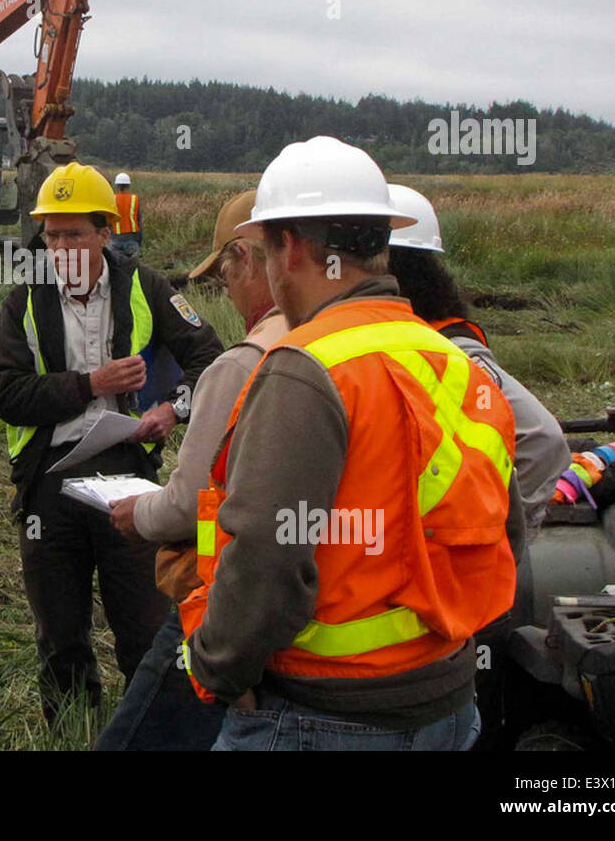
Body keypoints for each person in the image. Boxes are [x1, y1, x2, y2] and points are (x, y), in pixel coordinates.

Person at [183, 136, 520, 752]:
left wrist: (215, 669)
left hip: (319, 715)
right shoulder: (454, 362)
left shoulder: (303, 368)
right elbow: (506, 531)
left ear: (287, 247)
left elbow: (265, 551)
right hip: (449, 707)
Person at [0, 162, 223, 722]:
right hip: (47, 479)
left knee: (143, 628)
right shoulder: (23, 301)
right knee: (60, 631)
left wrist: (173, 408)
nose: (61, 246)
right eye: (52, 234)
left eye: (74, 234)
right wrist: (88, 386)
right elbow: (4, 392)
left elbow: (210, 360)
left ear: (106, 233)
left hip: (128, 475)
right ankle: (70, 730)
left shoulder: (148, 288)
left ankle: (145, 728)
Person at [96, 189, 288, 750]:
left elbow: (187, 502)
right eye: (52, 235)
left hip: (218, 606)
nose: (225, 288)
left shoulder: (241, 363)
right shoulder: (343, 345)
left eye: (224, 272)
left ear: (247, 260)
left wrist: (138, 513)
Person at [386, 182, 569, 749]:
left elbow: (541, 439)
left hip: (453, 603)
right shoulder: (418, 341)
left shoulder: (455, 355)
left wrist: (499, 543)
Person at [110, 172, 142, 258]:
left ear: (117, 186)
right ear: (128, 186)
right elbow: (139, 220)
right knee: (133, 266)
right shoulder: (135, 199)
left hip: (115, 237)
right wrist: (140, 240)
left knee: (117, 266)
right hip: (132, 237)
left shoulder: (112, 199)